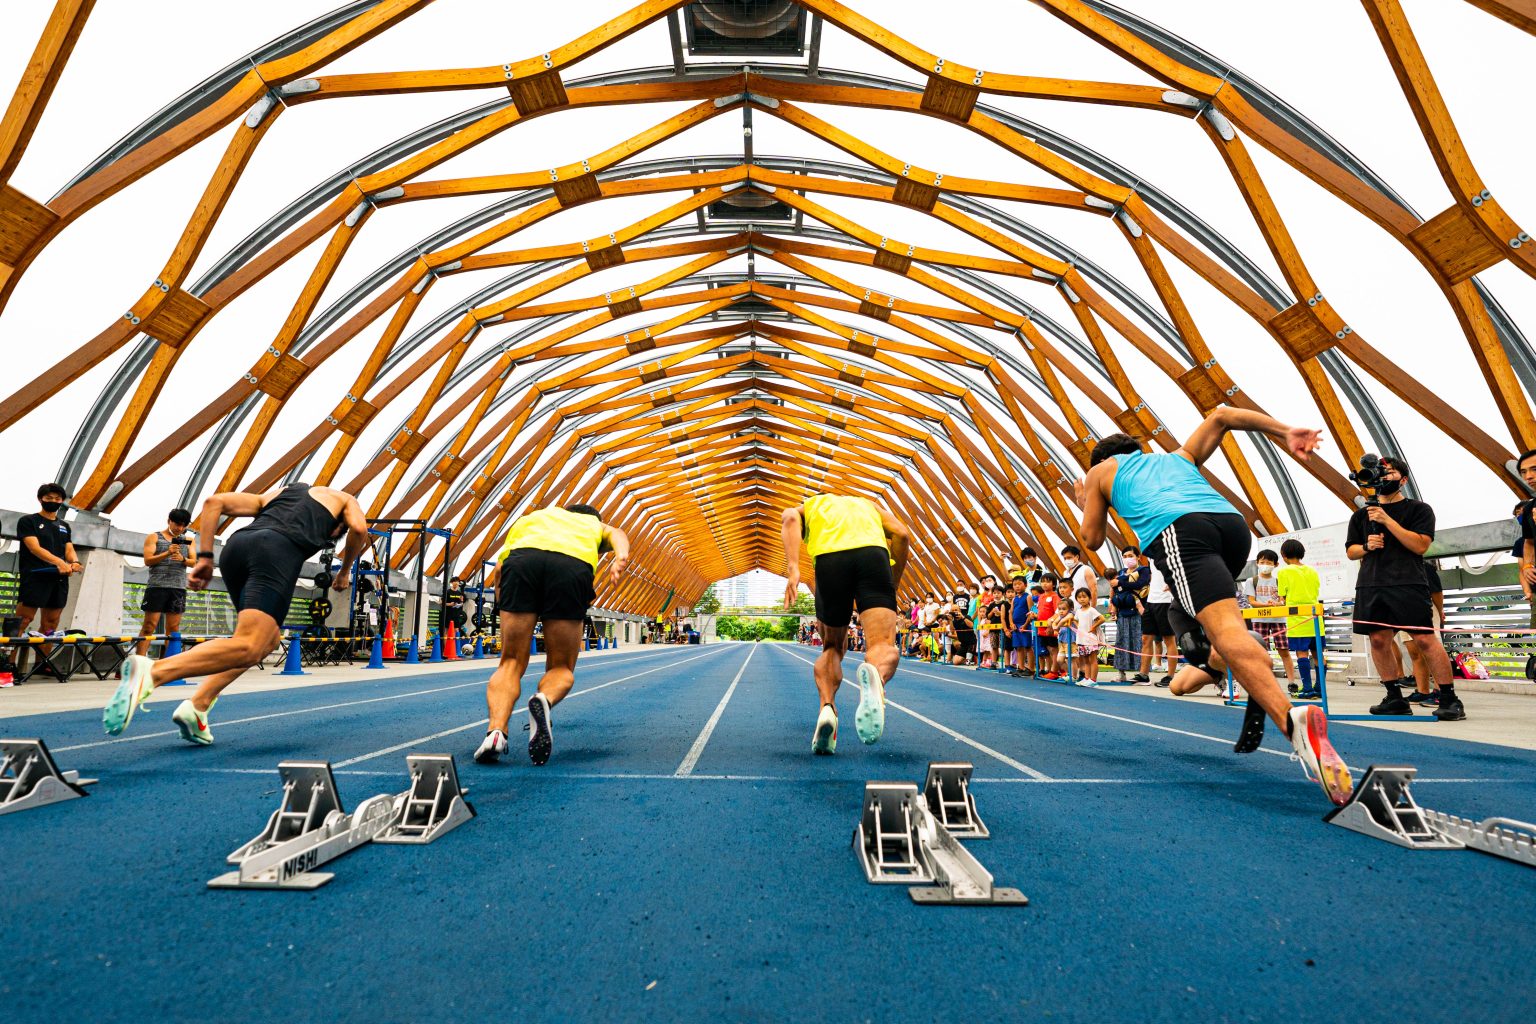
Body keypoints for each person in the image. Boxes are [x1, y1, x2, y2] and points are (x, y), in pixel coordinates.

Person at [1075, 406, 1352, 806]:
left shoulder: (1101, 471)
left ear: (1101, 460)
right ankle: (1230, 655)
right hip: (1231, 527)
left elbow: (1092, 538)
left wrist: (1086, 495)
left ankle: (1292, 722)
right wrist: (1286, 430)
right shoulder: (1176, 458)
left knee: (1227, 631)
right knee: (1221, 635)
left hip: (1180, 532)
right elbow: (1221, 416)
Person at [103, 483, 369, 743]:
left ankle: (198, 704)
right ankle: (154, 672)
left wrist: (206, 557)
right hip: (276, 552)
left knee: (267, 641)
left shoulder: (275, 495)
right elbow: (359, 528)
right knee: (250, 645)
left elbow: (213, 503)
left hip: (236, 549)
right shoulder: (345, 499)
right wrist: (344, 571)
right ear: (338, 526)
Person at [474, 503, 630, 765]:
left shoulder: (533, 518)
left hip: (521, 562)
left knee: (510, 661)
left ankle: (496, 733)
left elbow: (500, 570)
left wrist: (503, 604)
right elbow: (618, 533)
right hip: (570, 567)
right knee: (561, 666)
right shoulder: (592, 524)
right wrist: (620, 557)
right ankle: (543, 700)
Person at [781, 493, 911, 754]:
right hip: (874, 558)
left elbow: (789, 516)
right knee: (883, 642)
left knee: (832, 647)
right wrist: (893, 580)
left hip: (831, 561)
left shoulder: (814, 506)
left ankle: (827, 708)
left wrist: (793, 567)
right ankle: (876, 680)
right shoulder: (867, 504)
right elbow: (902, 534)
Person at [1344, 458, 1463, 721]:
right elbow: (1351, 550)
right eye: (1379, 472)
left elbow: (1420, 546)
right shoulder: (1360, 515)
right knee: (1378, 640)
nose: (1384, 477)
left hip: (1408, 581)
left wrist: (1387, 521)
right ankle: (1393, 696)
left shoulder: (1419, 509)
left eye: (1390, 473)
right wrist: (1366, 547)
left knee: (1423, 639)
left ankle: (1449, 697)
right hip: (1372, 583)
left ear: (1403, 480)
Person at [13, 482, 82, 680]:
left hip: (58, 580)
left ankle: (43, 663)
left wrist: (74, 562)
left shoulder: (64, 526)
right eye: (49, 498)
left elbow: (69, 548)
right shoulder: (28, 521)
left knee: (51, 623)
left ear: (62, 501)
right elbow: (34, 548)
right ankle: (7, 662)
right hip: (36, 576)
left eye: (57, 499)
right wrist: (59, 562)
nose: (53, 502)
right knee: (22, 621)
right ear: (40, 499)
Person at [135, 508, 194, 658]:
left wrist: (183, 559)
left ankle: (170, 663)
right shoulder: (154, 537)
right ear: (169, 521)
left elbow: (194, 562)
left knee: (173, 628)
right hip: (157, 586)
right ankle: (139, 662)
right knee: (149, 626)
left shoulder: (189, 541)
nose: (180, 528)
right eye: (177, 524)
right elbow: (148, 560)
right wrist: (167, 552)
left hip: (178, 587)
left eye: (184, 525)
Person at [1244, 548, 1296, 693]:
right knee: (1260, 652)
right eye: (1262, 562)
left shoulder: (1279, 581)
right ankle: (1262, 682)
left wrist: (1278, 603)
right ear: (1257, 563)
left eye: (1268, 562)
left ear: (1275, 565)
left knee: (1284, 651)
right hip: (1259, 619)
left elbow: (1283, 599)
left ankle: (1292, 682)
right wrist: (1266, 604)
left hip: (1279, 619)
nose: (1265, 564)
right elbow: (1252, 601)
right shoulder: (1252, 581)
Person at [1275, 540, 1322, 700]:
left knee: (1302, 653)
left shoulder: (1283, 572)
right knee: (1317, 655)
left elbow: (1282, 598)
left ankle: (1307, 689)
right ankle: (1319, 687)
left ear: (1283, 555)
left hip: (1297, 620)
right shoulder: (1312, 571)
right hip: (1316, 618)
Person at [1110, 546, 1149, 683]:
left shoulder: (1144, 570)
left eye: (1131, 555)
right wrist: (1113, 605)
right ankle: (1121, 672)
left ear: (1138, 557)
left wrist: (1121, 582)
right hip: (1122, 612)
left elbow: (1141, 584)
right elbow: (1114, 589)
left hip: (1138, 612)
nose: (1128, 558)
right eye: (1125, 556)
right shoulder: (1121, 572)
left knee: (1139, 641)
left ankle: (1142, 673)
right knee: (1121, 642)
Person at [1141, 561, 1176, 685]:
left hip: (1165, 600)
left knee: (1168, 639)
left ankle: (1170, 676)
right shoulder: (1150, 555)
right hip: (1151, 600)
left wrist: (1173, 583)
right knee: (1146, 638)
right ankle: (1143, 675)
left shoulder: (1168, 549)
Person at [1069, 587, 1104, 686]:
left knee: (1093, 660)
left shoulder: (1091, 610)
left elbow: (1101, 619)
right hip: (1081, 639)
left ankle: (1093, 680)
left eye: (1084, 597)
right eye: (1079, 597)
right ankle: (1087, 678)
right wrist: (1078, 627)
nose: (1082, 599)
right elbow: (1074, 620)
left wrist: (1093, 627)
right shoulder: (1079, 611)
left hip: (1091, 639)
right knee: (1086, 660)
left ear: (1089, 598)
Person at [1034, 574, 1061, 679]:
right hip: (1041, 629)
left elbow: (1057, 612)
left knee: (1053, 650)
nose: (1045, 584)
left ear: (1053, 584)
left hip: (1050, 628)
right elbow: (1041, 612)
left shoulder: (1055, 596)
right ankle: (1049, 670)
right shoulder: (1041, 597)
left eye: (1048, 581)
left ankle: (1055, 671)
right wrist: (1034, 615)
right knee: (1046, 651)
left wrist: (1051, 624)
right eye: (1043, 581)